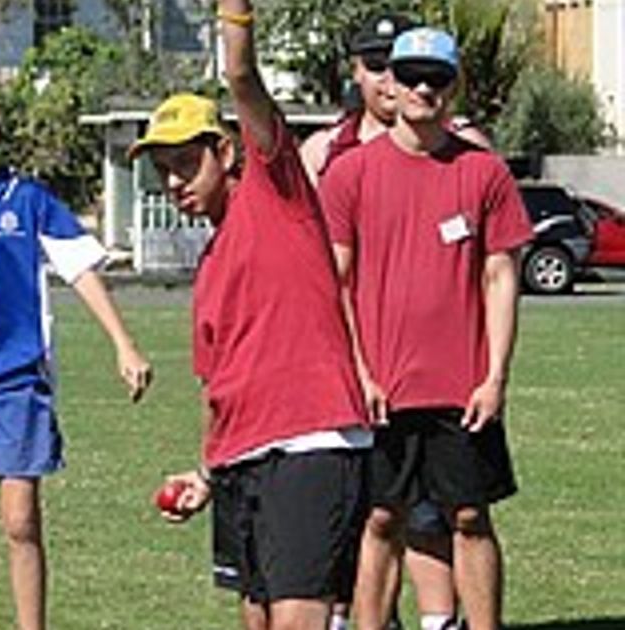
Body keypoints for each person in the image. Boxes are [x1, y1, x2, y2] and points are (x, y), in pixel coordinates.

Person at [131, 1, 372, 628]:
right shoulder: (210, 264)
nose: (175, 182)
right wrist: (207, 474)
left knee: (299, 620)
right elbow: (222, 389)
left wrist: (234, 19)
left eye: (187, 163)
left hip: (311, 445)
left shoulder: (277, 191)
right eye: (163, 172)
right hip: (243, 460)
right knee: (257, 621)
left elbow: (243, 80)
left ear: (228, 153)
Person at [318, 27, 533, 630]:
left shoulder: (484, 173)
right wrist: (359, 373)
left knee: (469, 516)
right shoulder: (350, 173)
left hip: (463, 389)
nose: (420, 89)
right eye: (409, 75)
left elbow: (499, 278)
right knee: (382, 519)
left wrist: (494, 378)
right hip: (381, 387)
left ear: (453, 85)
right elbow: (335, 284)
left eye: (435, 78)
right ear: (387, 81)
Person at [0, 88, 152, 630]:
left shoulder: (28, 201)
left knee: (19, 519)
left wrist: (124, 343)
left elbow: (81, 270)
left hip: (18, 380)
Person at [301, 14, 475, 630]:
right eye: (376, 66)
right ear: (360, 73)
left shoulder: (466, 150)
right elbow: (322, 267)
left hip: (442, 369)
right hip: (358, 363)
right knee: (369, 509)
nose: (387, 80)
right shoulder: (326, 153)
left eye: (393, 65)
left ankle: (439, 619)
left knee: (438, 510)